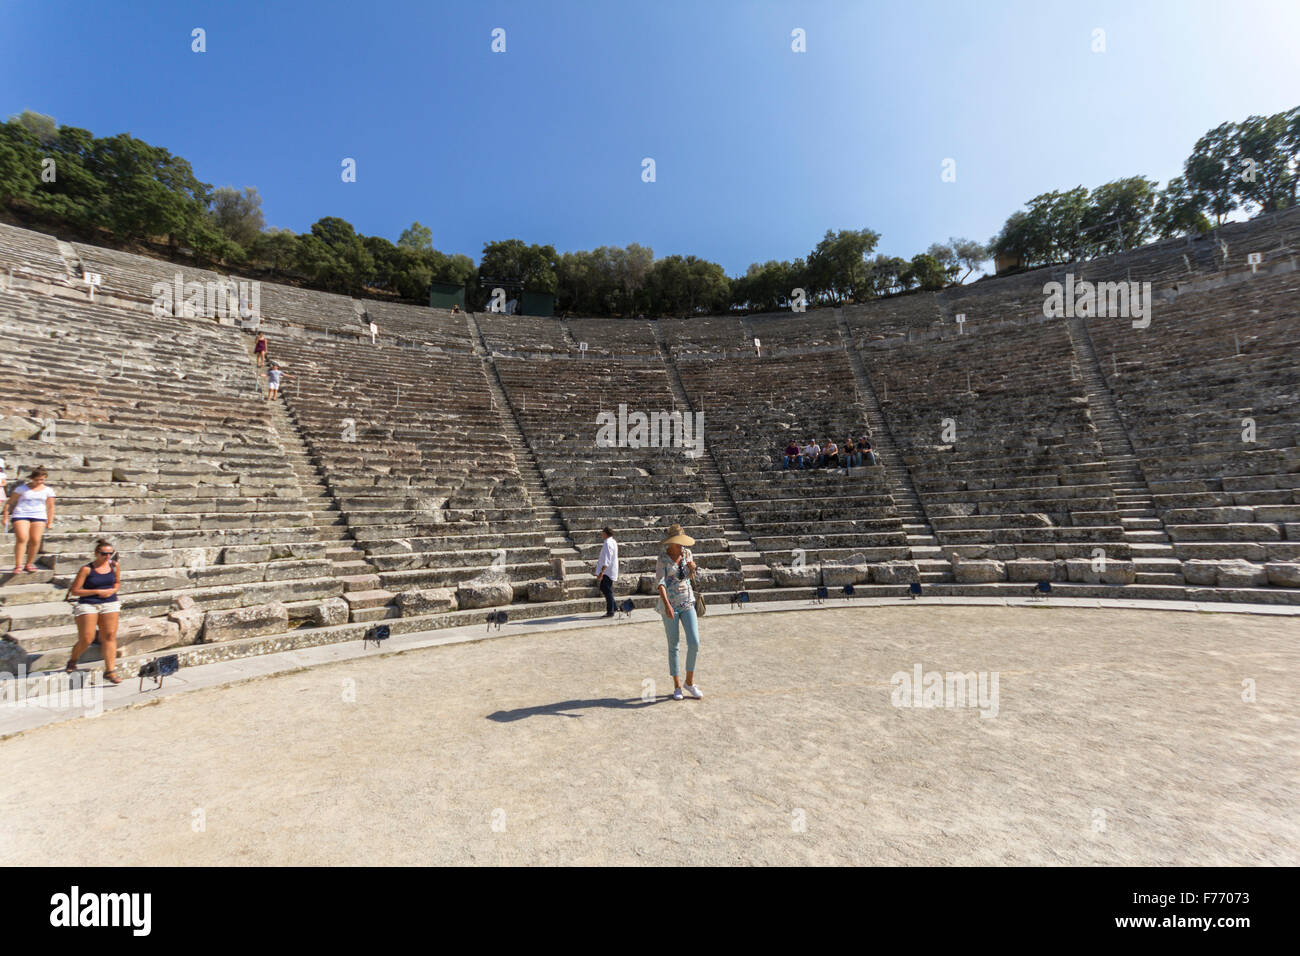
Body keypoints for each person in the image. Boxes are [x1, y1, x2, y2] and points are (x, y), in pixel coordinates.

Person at [65, 539, 123, 684]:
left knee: (109, 635)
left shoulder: (115, 566)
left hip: (110, 602)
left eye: (110, 553)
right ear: (96, 554)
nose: (107, 557)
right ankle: (73, 659)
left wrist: (113, 590)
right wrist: (97, 591)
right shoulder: (86, 569)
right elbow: (75, 591)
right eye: (104, 554)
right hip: (89, 603)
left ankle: (110, 670)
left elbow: (117, 582)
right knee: (87, 638)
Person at [656, 524, 702, 700]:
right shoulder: (663, 558)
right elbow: (660, 583)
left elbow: (690, 578)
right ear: (672, 542)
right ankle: (677, 686)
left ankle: (689, 682)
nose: (682, 545)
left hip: (687, 601)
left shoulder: (688, 554)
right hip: (670, 605)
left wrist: (693, 568)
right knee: (674, 645)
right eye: (679, 542)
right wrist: (667, 605)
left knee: (694, 642)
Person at [4, 466, 54, 574]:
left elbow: (50, 507)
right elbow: (10, 502)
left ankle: (29, 563)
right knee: (22, 538)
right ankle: (18, 565)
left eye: (42, 480)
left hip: (39, 515)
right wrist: (5, 516)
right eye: (37, 480)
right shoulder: (22, 488)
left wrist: (50, 521)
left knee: (35, 540)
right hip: (21, 513)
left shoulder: (48, 490)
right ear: (32, 478)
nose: (39, 482)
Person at [594, 526, 619, 618]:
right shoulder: (613, 542)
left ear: (605, 533)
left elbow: (607, 559)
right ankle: (614, 607)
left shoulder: (607, 543)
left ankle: (610, 611)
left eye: (602, 533)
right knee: (607, 589)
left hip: (607, 571)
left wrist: (601, 572)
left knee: (606, 589)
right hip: (611, 570)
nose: (602, 535)